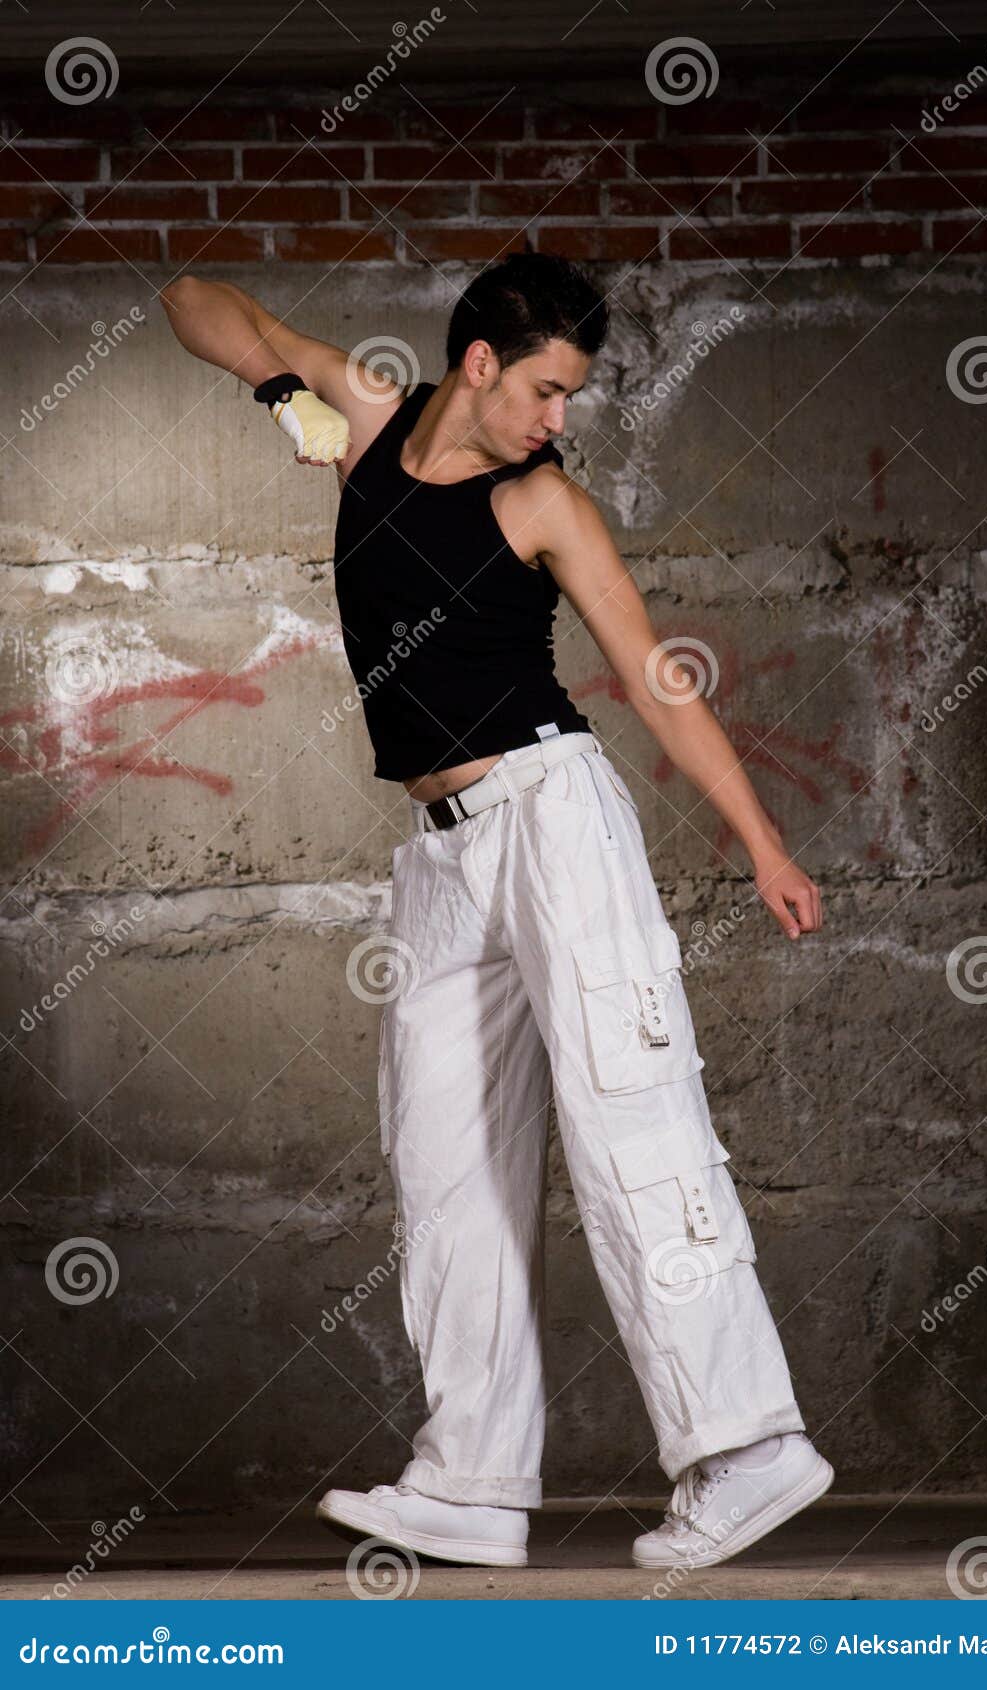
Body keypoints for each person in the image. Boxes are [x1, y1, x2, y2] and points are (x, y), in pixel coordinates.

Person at [161, 252, 833, 1572]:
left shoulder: (543, 503)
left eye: (570, 395)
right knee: (444, 1157)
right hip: (440, 856)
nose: (557, 417)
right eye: (545, 390)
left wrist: (761, 842)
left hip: (552, 820)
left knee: (630, 1121)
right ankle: (471, 1478)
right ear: (477, 365)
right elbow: (194, 297)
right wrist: (283, 396)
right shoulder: (366, 418)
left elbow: (656, 679)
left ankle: (748, 1446)